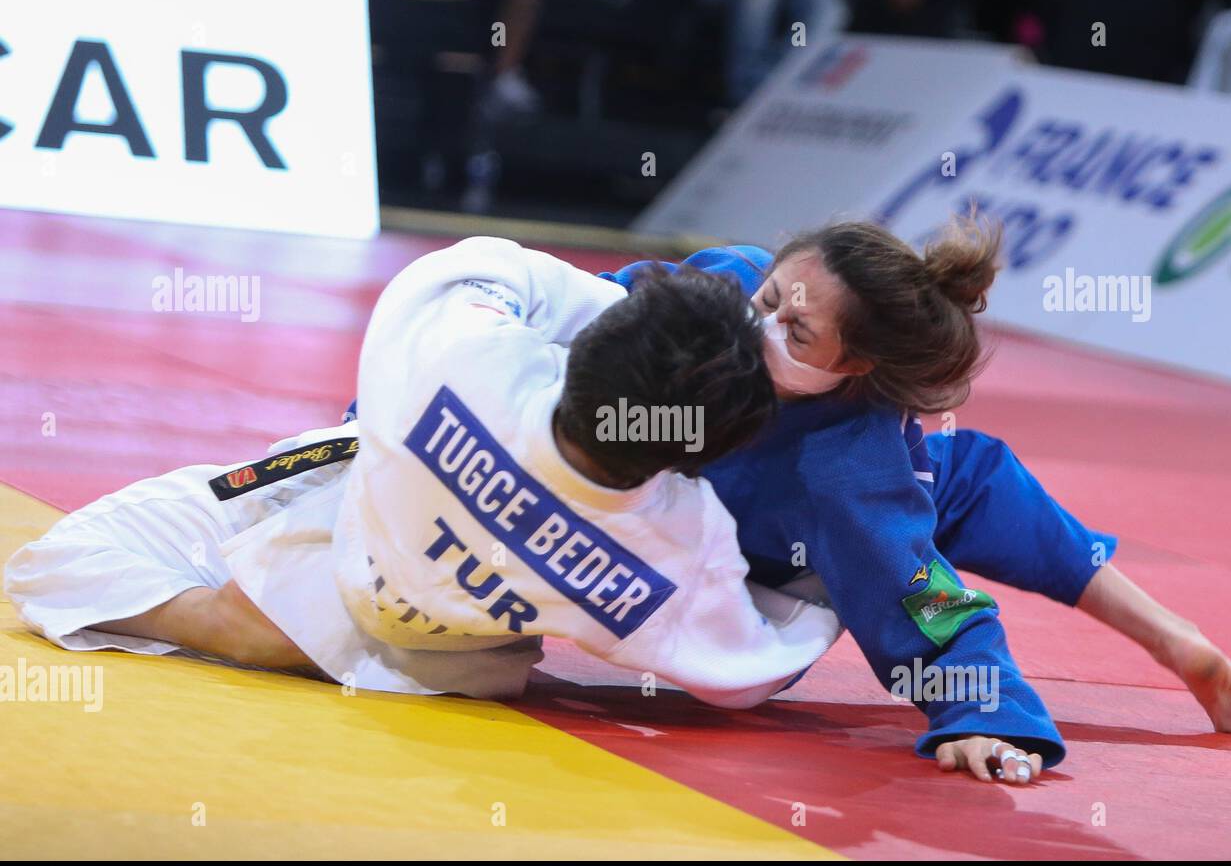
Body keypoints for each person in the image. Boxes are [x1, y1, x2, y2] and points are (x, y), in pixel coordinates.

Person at [4, 237, 841, 708]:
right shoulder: (678, 547)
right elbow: (750, 670)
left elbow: (507, 272)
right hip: (452, 646)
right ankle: (272, 629)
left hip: (356, 521)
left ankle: (247, 625)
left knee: (56, 565)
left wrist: (648, 322)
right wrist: (832, 588)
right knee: (129, 580)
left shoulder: (463, 350)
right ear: (698, 454)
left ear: (590, 352)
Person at [600, 217, 1231, 780]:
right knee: (972, 471)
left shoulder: (848, 477)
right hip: (696, 496)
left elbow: (930, 606)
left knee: (961, 496)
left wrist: (980, 712)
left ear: (854, 366)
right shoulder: (724, 281)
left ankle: (1174, 637)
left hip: (781, 559)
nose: (764, 322)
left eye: (798, 332)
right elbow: (588, 309)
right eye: (771, 294)